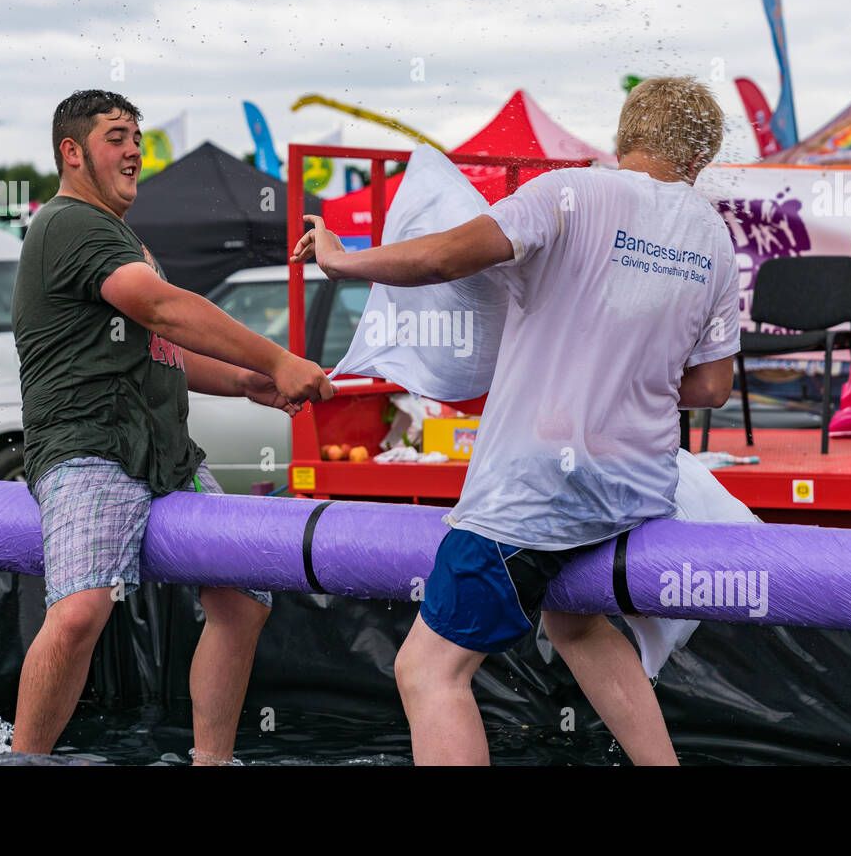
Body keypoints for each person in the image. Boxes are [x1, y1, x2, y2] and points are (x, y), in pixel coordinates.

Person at [292, 76, 739, 765]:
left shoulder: (575, 192)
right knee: (575, 625)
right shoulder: (711, 235)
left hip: (533, 493)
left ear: (627, 135)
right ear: (699, 159)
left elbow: (443, 255)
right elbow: (711, 386)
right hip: (637, 489)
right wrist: (625, 372)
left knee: (429, 670)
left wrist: (340, 259)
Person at [11, 89, 333, 763]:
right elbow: (161, 308)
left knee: (244, 601)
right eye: (116, 136)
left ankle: (210, 761)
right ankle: (22, 759)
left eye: (137, 136)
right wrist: (276, 355)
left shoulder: (125, 238)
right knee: (77, 612)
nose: (133, 150)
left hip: (167, 460)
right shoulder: (70, 222)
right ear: (71, 153)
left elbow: (163, 350)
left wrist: (245, 380)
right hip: (88, 451)